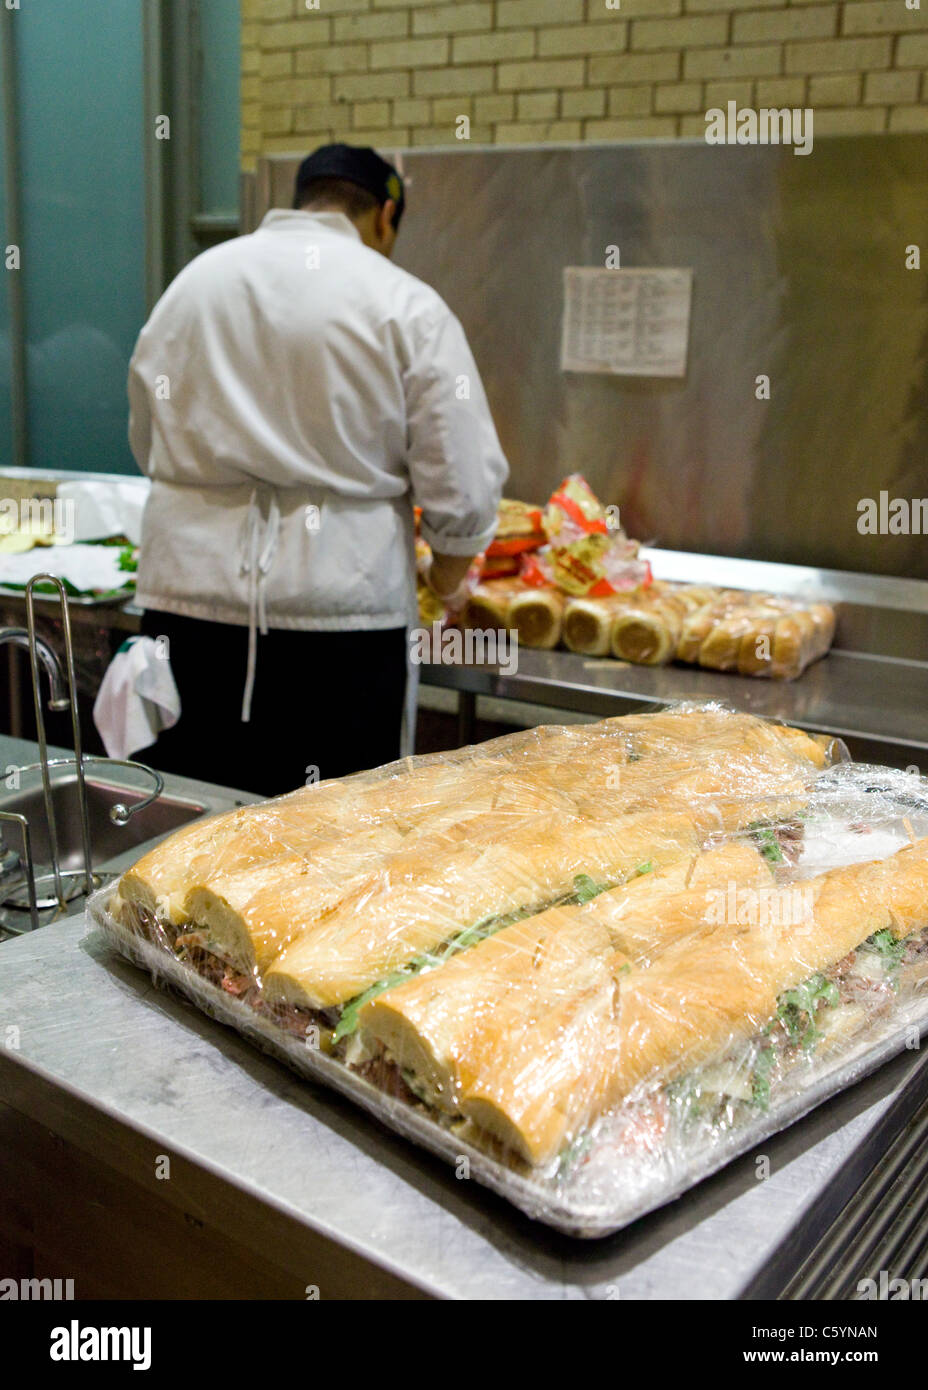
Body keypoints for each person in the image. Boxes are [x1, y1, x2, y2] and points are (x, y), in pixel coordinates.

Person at [127, 143, 508, 796]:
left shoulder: (194, 284)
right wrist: (443, 583)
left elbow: (145, 434)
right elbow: (463, 484)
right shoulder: (404, 303)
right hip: (340, 625)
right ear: (385, 215)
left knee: (189, 818)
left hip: (185, 606)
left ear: (302, 200)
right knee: (335, 845)